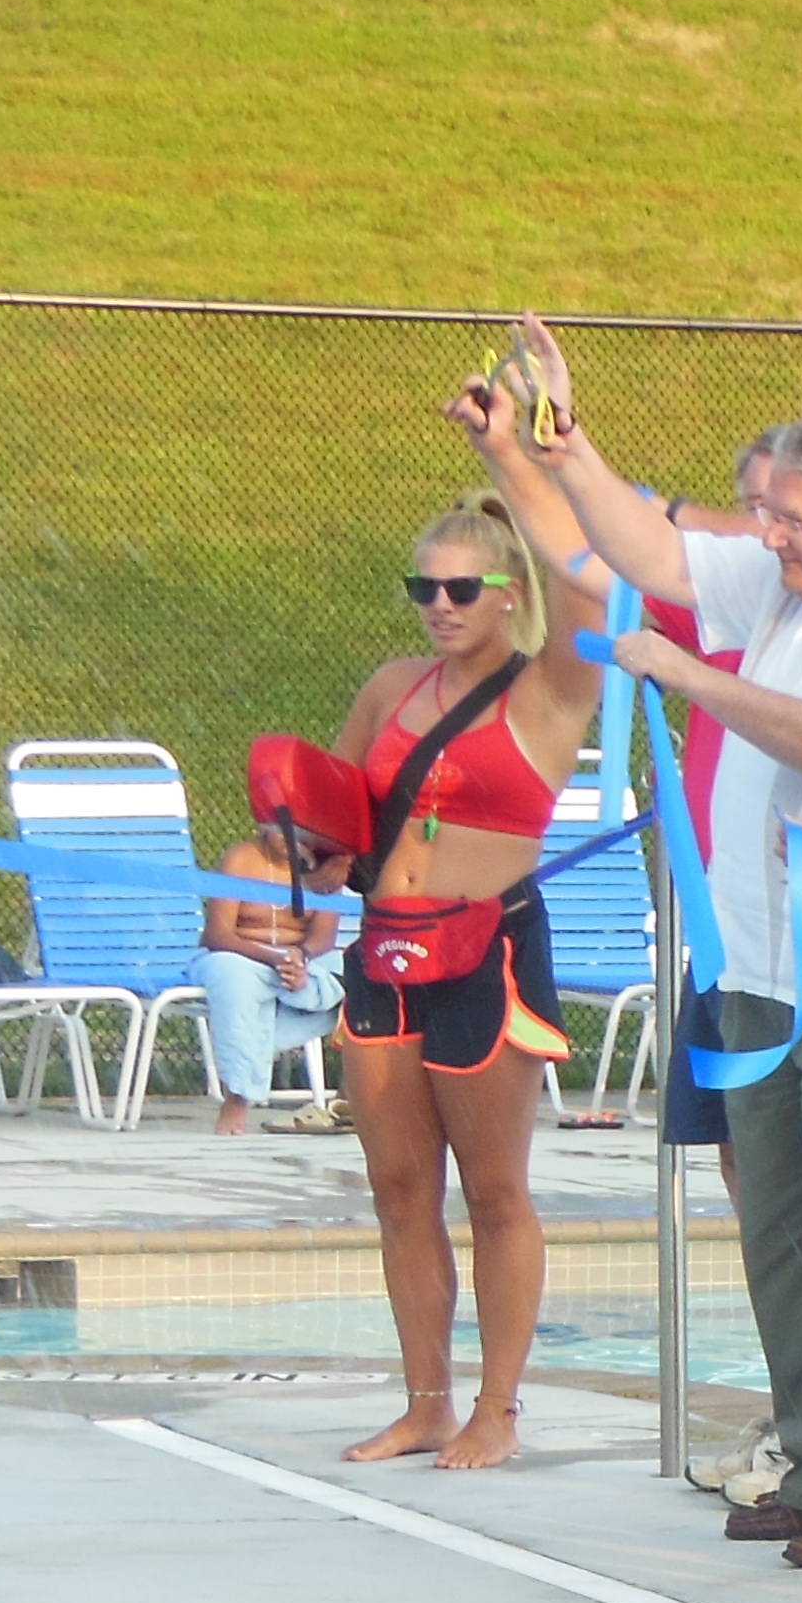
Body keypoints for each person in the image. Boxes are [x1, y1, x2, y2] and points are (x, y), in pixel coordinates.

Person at [468, 325, 802, 1572]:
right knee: (783, 1235)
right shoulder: (790, 591)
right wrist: (560, 442)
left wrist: (692, 679)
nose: (770, 539)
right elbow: (645, 551)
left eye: (791, 519)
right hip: (755, 972)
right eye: (765, 518)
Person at [288, 490, 602, 1469]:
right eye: (423, 587)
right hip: (387, 945)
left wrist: (531, 465)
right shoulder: (391, 686)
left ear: (510, 594)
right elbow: (335, 813)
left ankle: (496, 1410)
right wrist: (309, 854)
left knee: (496, 1190)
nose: (439, 603)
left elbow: (589, 586)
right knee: (397, 1186)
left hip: (487, 947)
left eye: (462, 587)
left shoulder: (548, 690)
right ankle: (426, 1400)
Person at [194, 817, 351, 1133]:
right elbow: (217, 935)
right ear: (263, 825)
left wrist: (300, 960)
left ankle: (347, 1104)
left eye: (301, 831)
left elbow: (323, 940)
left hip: (300, 961)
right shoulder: (241, 859)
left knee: (355, 978)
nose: (290, 838)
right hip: (238, 956)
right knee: (236, 978)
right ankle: (237, 1098)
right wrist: (275, 958)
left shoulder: (322, 871)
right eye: (281, 829)